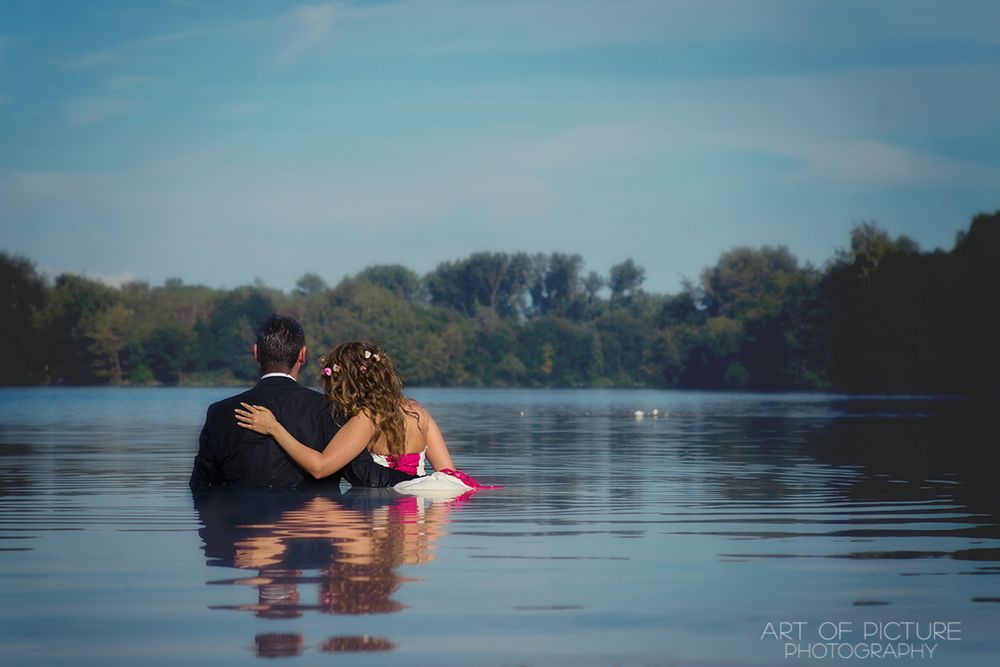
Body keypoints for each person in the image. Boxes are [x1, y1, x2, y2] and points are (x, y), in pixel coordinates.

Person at [190, 317, 414, 490]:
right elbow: (366, 476)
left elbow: (202, 485)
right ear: (302, 355)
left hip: (241, 537)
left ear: (256, 353)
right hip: (313, 542)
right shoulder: (329, 409)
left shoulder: (219, 413)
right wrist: (430, 481)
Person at [234, 341, 490, 490]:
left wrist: (274, 428)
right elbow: (447, 475)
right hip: (419, 529)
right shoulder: (417, 413)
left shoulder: (365, 419)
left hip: (382, 514)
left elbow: (321, 467)